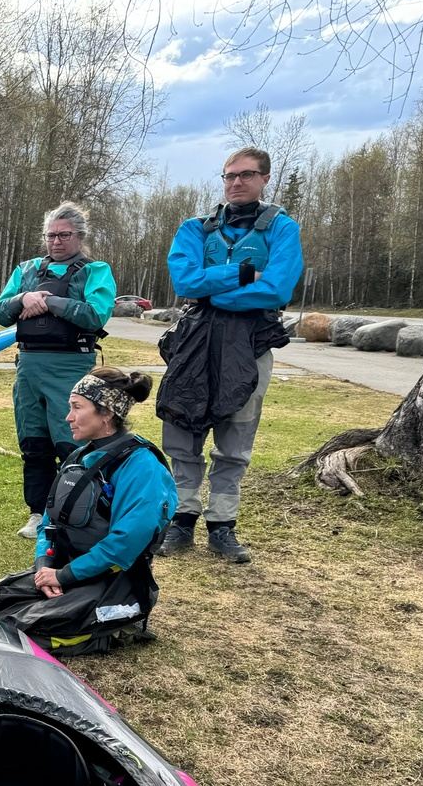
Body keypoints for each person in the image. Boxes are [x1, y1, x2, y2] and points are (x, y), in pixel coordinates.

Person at [155, 147, 302, 563]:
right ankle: (182, 519)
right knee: (182, 430)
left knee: (236, 438)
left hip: (251, 343)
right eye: (229, 175)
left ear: (264, 179)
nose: (236, 182)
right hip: (194, 342)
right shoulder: (194, 229)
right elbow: (185, 280)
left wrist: (214, 290)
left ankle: (223, 524)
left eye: (246, 175)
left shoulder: (282, 229)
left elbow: (276, 289)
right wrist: (239, 274)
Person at [0, 368, 176, 657]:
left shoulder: (141, 466)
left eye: (77, 407)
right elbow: (49, 521)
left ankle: (119, 625)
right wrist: (45, 565)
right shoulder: (79, 456)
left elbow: (125, 544)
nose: (68, 417)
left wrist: (65, 576)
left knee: (24, 627)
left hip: (114, 581)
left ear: (105, 413)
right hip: (66, 569)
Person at [0, 202, 116, 540]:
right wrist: (23, 299)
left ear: (79, 236)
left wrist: (51, 303)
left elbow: (96, 315)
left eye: (64, 235)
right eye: (51, 235)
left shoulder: (95, 270)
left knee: (71, 442)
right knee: (33, 442)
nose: (56, 241)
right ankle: (38, 512)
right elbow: (0, 312)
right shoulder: (27, 269)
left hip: (71, 366)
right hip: (30, 365)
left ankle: (75, 510)